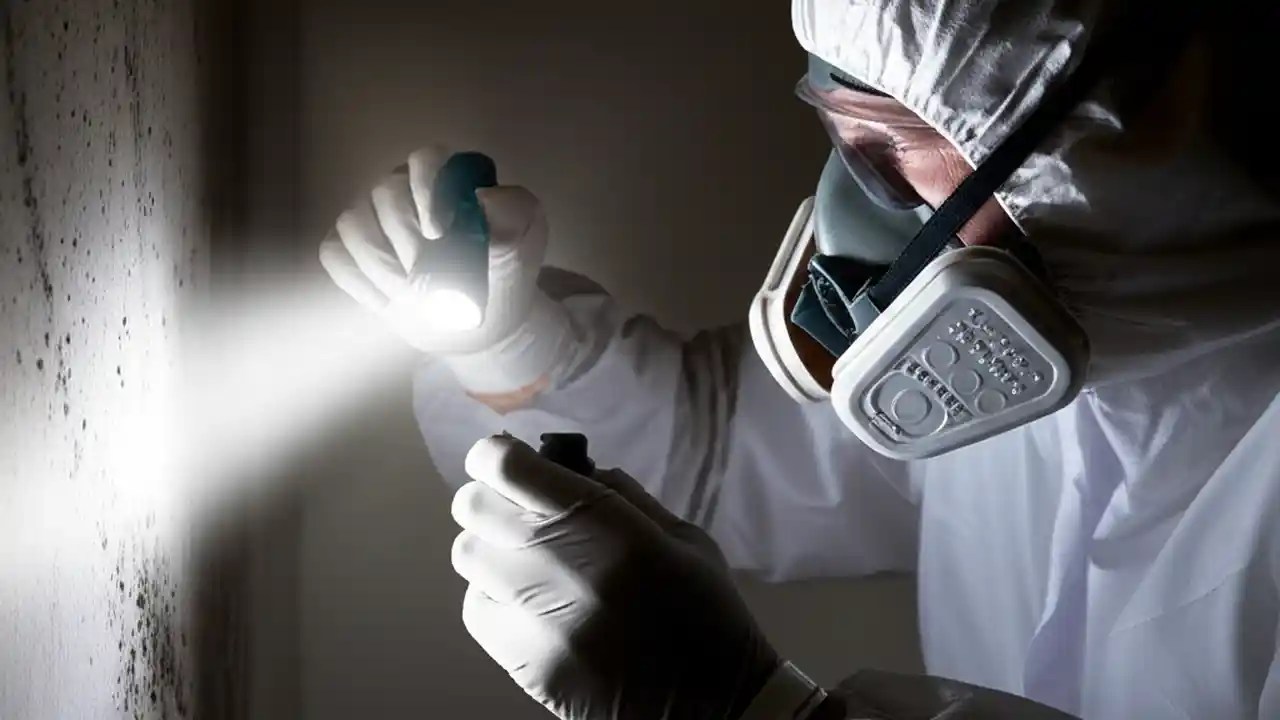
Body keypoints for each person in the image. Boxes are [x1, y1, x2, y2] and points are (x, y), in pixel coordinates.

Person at [318, 0, 1280, 717]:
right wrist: (514, 343)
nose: (842, 214)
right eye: (837, 137)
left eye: (888, 153)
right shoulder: (1066, 337)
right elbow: (721, 455)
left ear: (1117, 162)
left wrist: (757, 709)